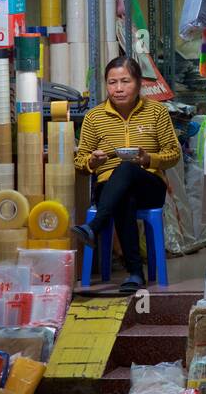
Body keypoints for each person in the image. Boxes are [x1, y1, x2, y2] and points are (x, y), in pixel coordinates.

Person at [70, 56, 181, 292]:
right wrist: (92, 160)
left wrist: (149, 158)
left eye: (125, 81)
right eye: (112, 82)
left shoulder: (157, 112)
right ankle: (134, 273)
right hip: (109, 190)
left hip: (149, 186)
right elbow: (79, 163)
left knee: (128, 167)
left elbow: (173, 154)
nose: (118, 88)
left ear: (139, 83)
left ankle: (95, 226)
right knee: (124, 196)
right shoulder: (94, 117)